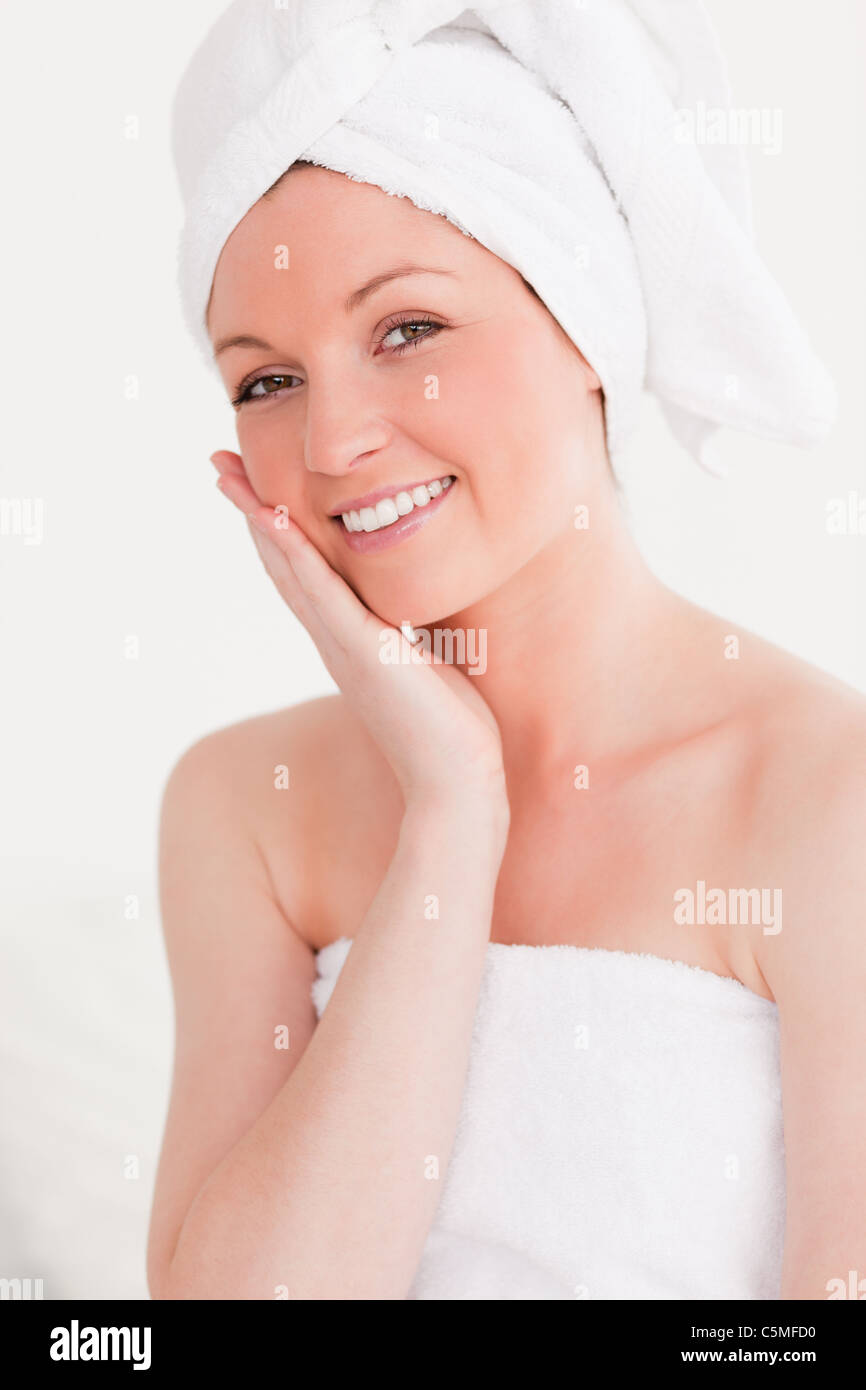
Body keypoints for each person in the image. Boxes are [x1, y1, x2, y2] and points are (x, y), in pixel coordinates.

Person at [147, 2, 865, 1301]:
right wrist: (450, 807)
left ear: (586, 314)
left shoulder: (824, 791)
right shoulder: (242, 809)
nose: (330, 445)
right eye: (264, 380)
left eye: (406, 329)